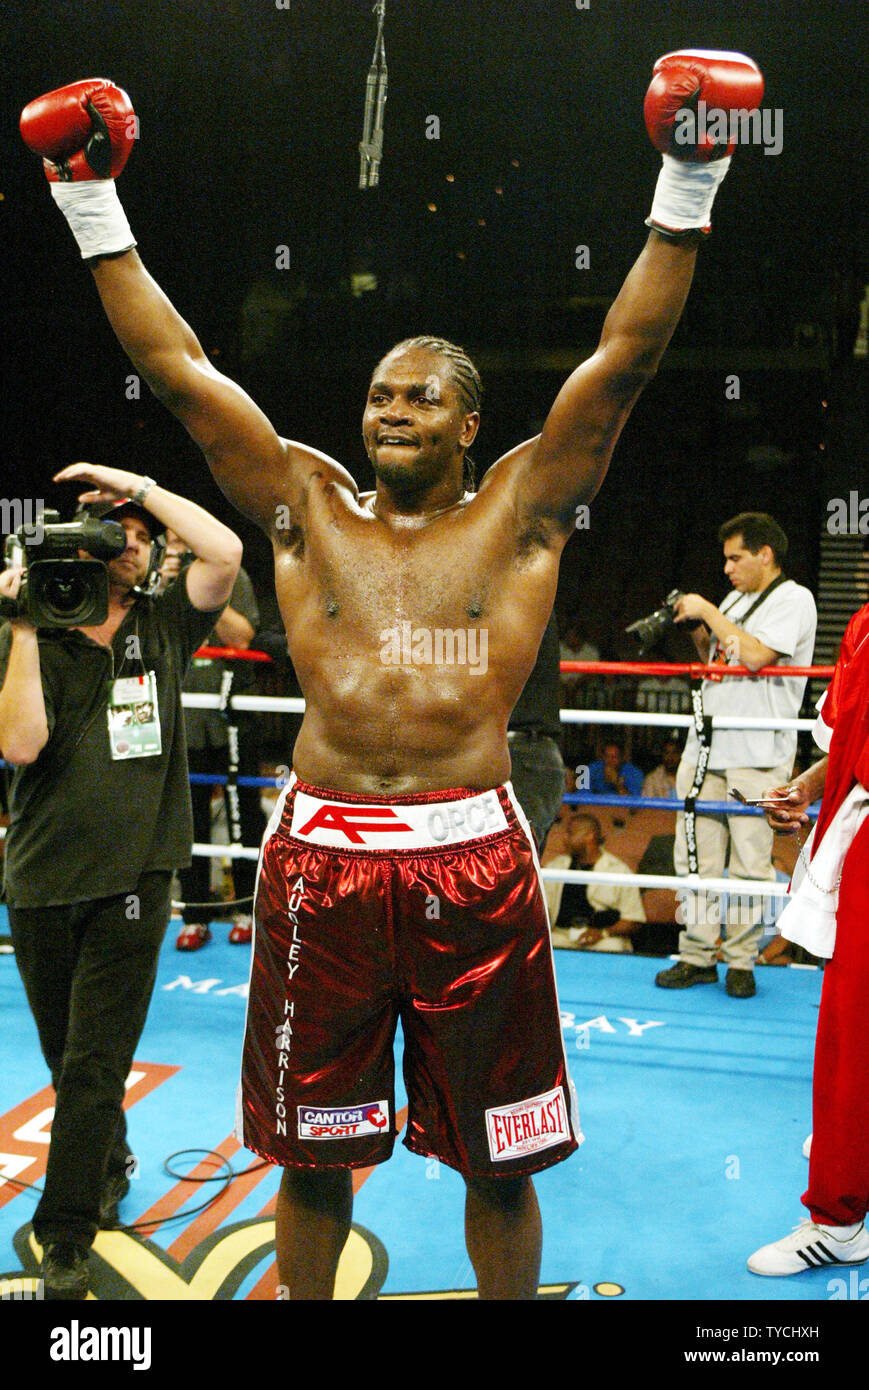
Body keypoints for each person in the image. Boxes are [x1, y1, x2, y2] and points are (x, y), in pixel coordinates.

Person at [20, 50, 764, 1300]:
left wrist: (686, 172)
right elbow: (184, 375)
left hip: (471, 848)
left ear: (471, 423)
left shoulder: (524, 514)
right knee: (311, 1157)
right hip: (320, 859)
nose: (389, 410)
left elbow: (622, 357)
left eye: (420, 396)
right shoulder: (305, 508)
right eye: (376, 395)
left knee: (499, 1161)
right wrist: (88, 197)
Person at [0, 466, 241, 1299]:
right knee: (67, 1062)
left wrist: (132, 481)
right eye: (111, 532)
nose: (128, 544)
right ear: (76, 544)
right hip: (39, 879)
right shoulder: (31, 626)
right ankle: (106, 1160)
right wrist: (25, 627)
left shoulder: (166, 623)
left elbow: (225, 548)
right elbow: (22, 747)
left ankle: (63, 1232)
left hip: (137, 880)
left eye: (139, 533)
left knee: (97, 1062)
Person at [747, 602, 869, 1275]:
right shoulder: (863, 625)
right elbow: (846, 733)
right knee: (852, 1028)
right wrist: (804, 786)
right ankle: (840, 1221)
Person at [655, 513, 817, 999]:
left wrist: (707, 608)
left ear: (765, 554)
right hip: (707, 748)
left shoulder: (795, 599)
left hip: (757, 750)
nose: (727, 568)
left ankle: (742, 962)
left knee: (749, 863)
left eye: (735, 557)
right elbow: (719, 662)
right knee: (698, 861)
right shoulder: (733, 600)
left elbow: (757, 657)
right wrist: (697, 627)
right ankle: (698, 956)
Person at [159, 530, 267, 950]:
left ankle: (246, 908)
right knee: (188, 818)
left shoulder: (232, 576)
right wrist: (167, 581)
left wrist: (204, 584)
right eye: (169, 541)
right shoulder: (156, 578)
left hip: (233, 712)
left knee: (245, 811)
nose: (178, 547)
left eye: (183, 539)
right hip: (184, 712)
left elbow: (241, 636)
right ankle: (195, 914)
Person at [542, 812, 646, 951]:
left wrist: (602, 933)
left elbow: (634, 919)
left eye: (570, 833)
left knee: (612, 947)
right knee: (543, 948)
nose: (565, 838)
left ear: (589, 836)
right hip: (561, 935)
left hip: (602, 937)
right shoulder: (556, 867)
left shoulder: (618, 870)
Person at [507, 609, 566, 851]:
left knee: (516, 867)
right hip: (531, 755)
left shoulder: (517, 608)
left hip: (524, 756)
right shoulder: (538, 605)